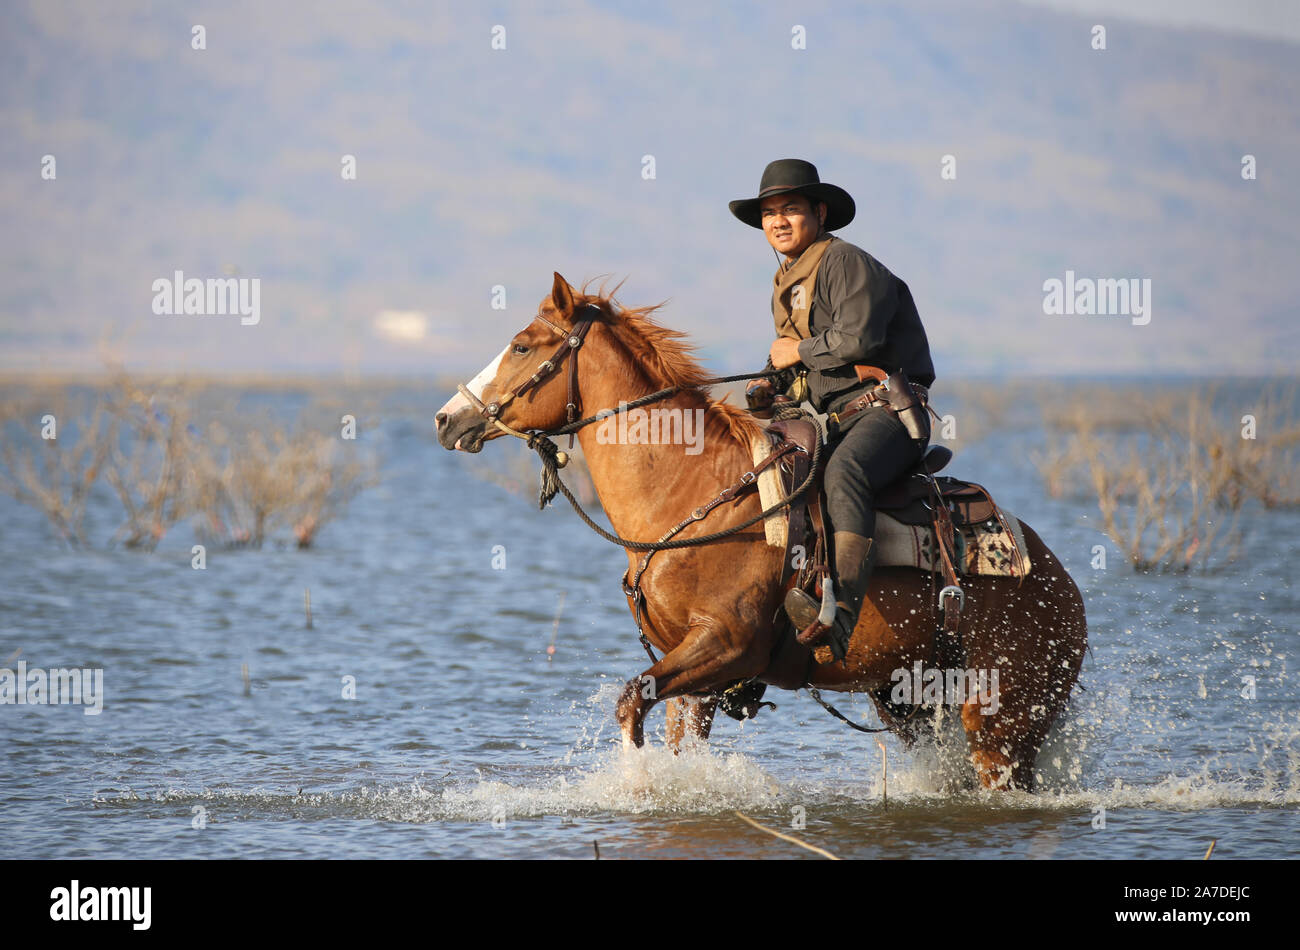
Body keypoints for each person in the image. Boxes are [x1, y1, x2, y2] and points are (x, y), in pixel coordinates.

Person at [729, 159, 937, 663]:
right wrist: (770, 384)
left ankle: (840, 615)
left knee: (845, 473)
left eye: (791, 209)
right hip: (830, 420)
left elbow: (858, 338)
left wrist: (794, 355)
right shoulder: (787, 279)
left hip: (885, 413)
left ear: (820, 212)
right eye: (769, 213)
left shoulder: (845, 262)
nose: (778, 221)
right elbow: (800, 357)